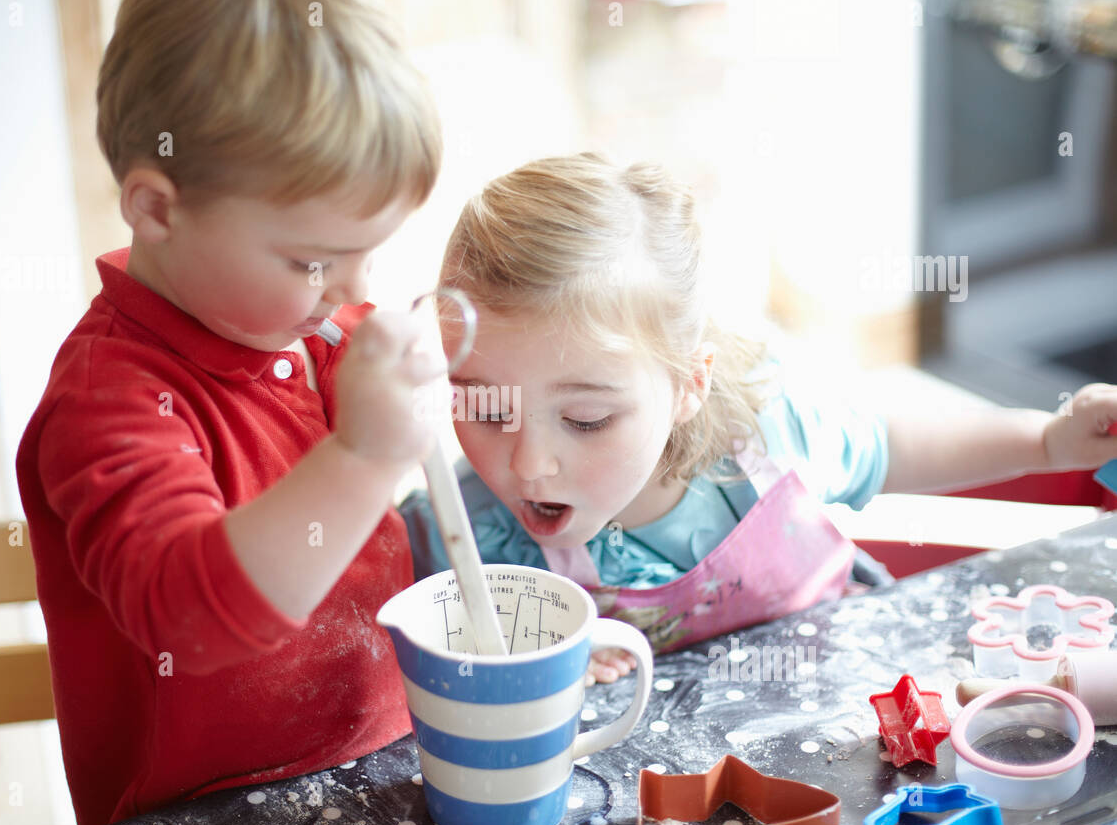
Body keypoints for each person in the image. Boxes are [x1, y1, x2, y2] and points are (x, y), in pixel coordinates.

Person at [400, 153, 1117, 685]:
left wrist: (1049, 439)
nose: (528, 464)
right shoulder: (464, 537)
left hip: (850, 709)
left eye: (586, 420)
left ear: (688, 386)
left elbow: (892, 446)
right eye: (486, 408)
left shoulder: (770, 440)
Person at [15, 0, 442, 825]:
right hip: (207, 816)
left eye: (370, 252)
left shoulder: (315, 331)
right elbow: (190, 621)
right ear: (157, 208)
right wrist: (360, 458)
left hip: (387, 765)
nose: (357, 288)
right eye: (314, 259)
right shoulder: (108, 400)